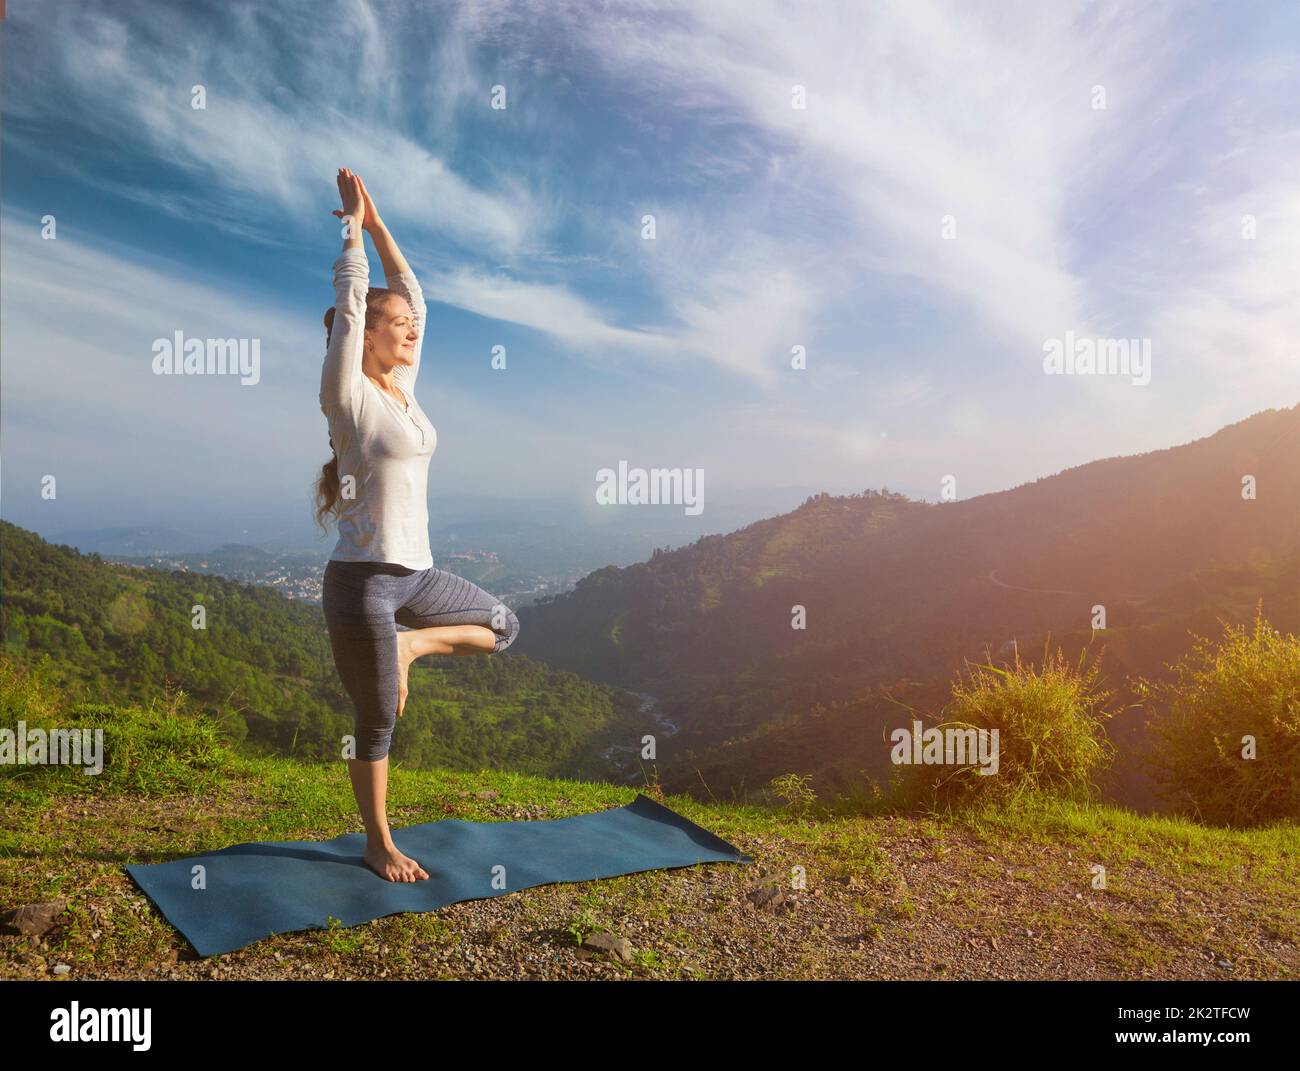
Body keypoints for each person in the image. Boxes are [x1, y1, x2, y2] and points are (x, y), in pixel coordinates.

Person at [314, 168, 520, 883]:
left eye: (409, 324)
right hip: (363, 584)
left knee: (504, 625)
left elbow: (416, 296)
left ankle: (412, 647)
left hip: (419, 576)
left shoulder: (402, 389)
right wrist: (351, 231)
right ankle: (378, 841)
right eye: (396, 324)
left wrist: (378, 224)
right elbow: (351, 301)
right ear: (365, 335)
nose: (410, 329)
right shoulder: (348, 397)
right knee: (377, 722)